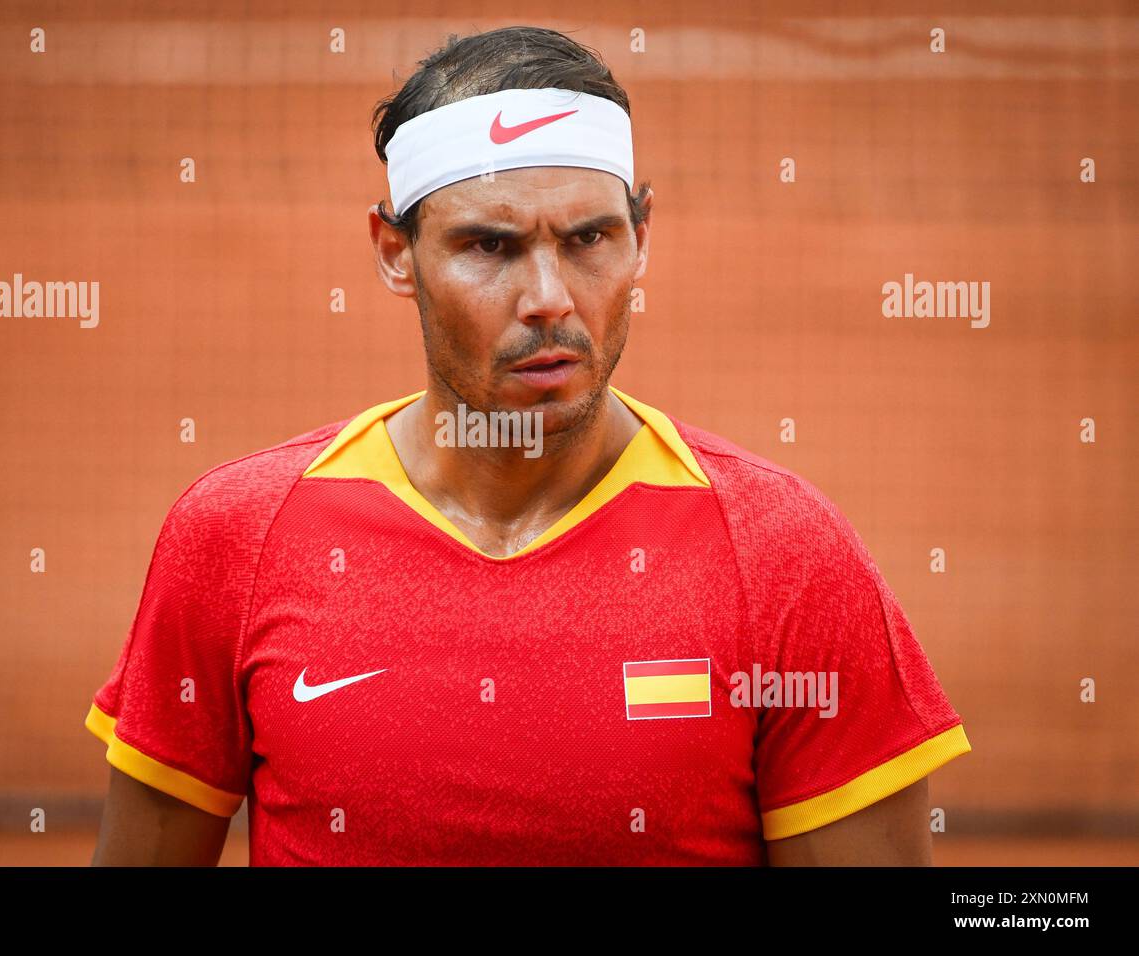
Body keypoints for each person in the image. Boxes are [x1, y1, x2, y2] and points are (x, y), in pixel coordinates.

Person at [86, 26, 970, 866]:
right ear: (394, 252)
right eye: (490, 245)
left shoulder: (785, 556)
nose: (549, 297)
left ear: (642, 236)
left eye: (589, 237)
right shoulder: (236, 538)